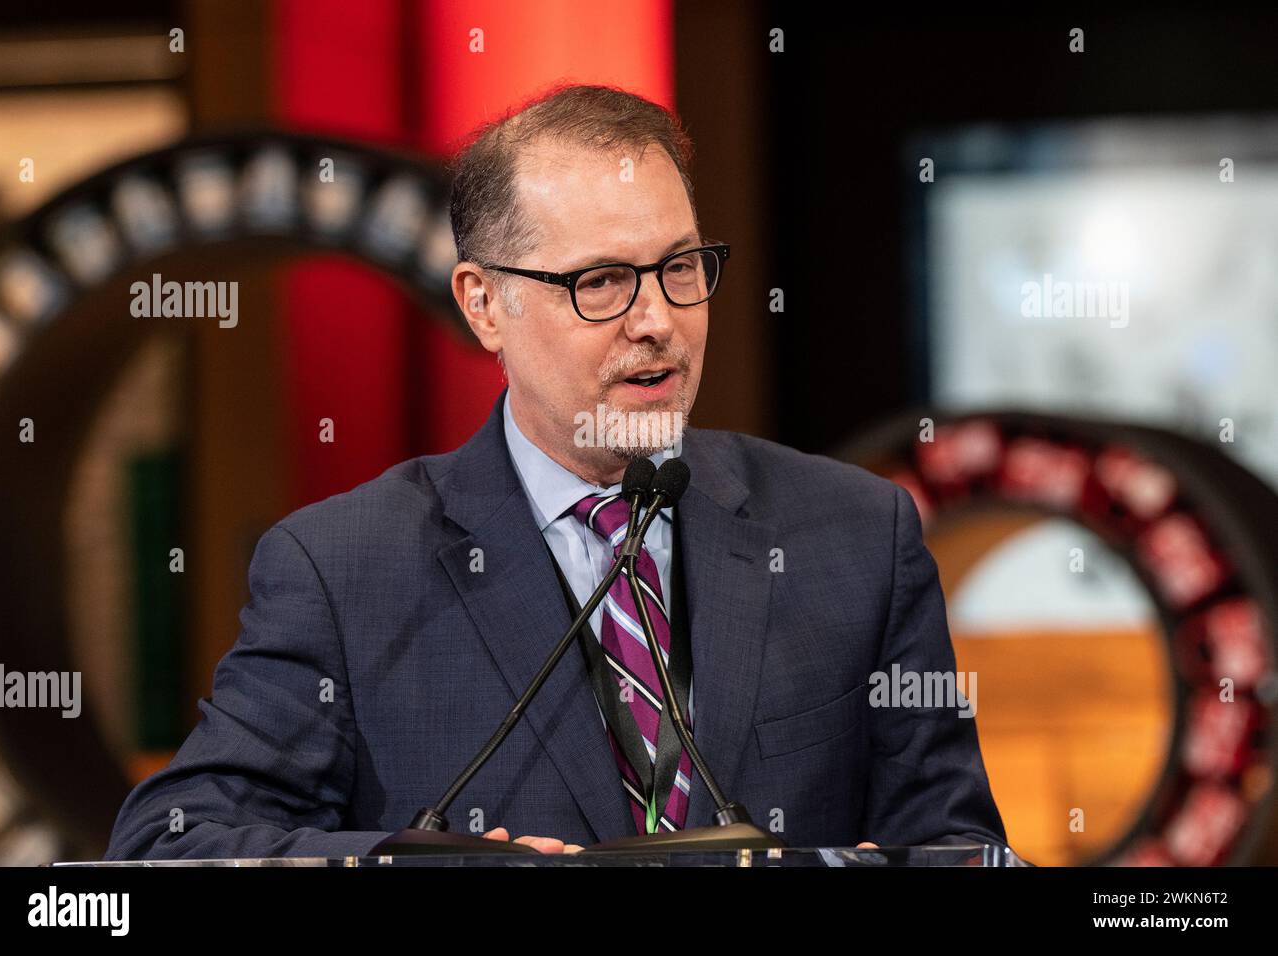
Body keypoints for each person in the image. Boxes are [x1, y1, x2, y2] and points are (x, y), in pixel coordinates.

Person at [105, 84, 1006, 860]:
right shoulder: (343, 568)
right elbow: (173, 840)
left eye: (681, 267)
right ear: (484, 304)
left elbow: (957, 849)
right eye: (603, 282)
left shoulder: (855, 534)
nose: (658, 320)